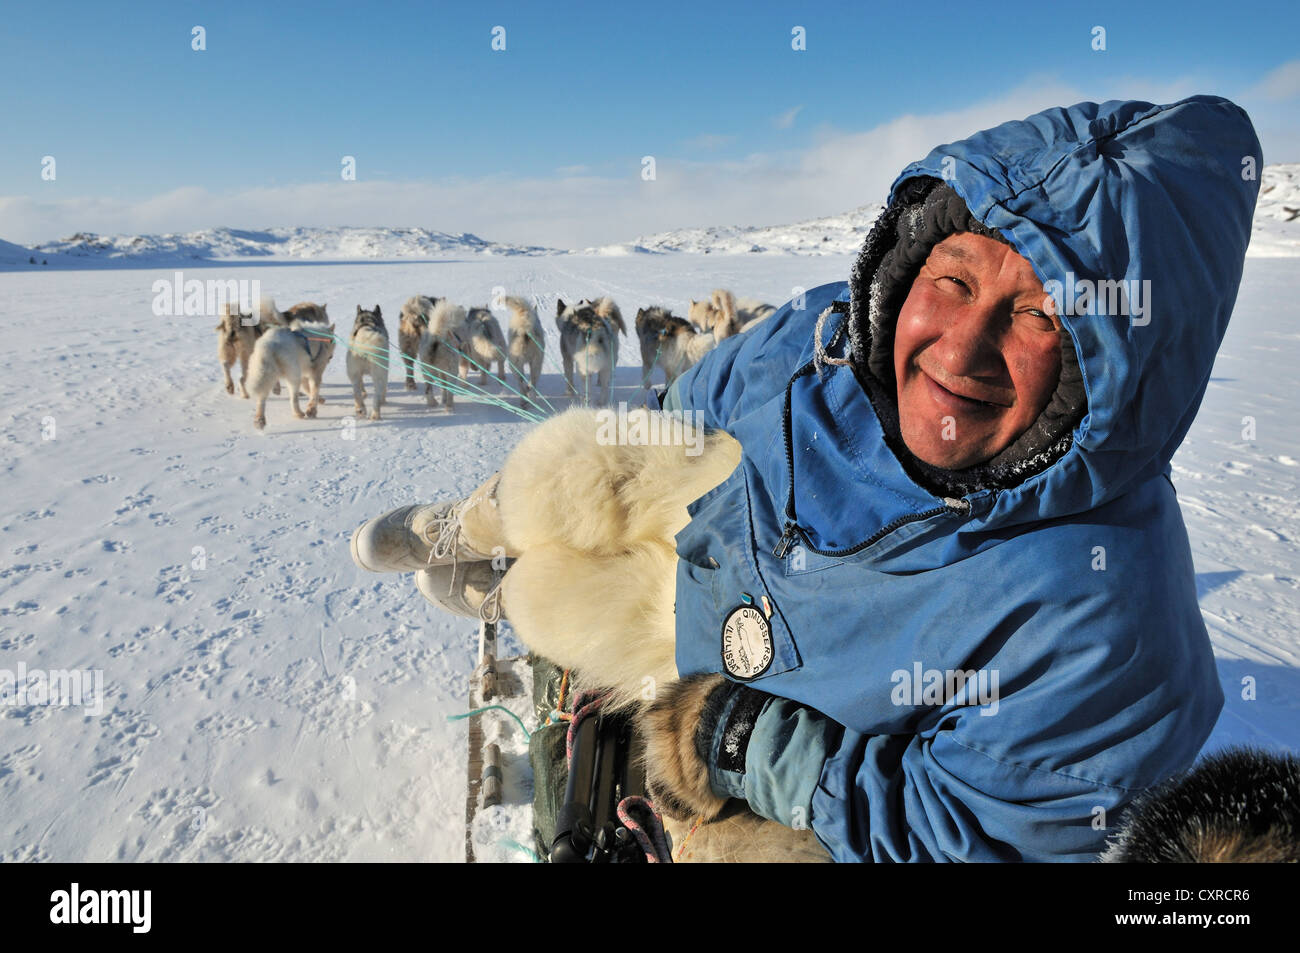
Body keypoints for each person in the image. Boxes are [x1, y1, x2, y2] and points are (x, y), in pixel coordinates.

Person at [351, 94, 1261, 861]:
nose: (959, 348)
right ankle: (476, 527)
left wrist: (749, 747)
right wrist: (603, 474)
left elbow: (964, 840)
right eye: (951, 280)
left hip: (760, 748)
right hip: (699, 584)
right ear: (908, 266)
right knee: (580, 461)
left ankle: (517, 600)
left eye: (1035, 314)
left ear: (1113, 368)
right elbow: (685, 406)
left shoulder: (1107, 627)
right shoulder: (818, 341)